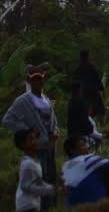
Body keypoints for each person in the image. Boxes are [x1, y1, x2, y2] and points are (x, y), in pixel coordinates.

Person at [5, 65, 59, 206]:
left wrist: (56, 131)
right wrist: (29, 132)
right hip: (37, 147)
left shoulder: (46, 99)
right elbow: (8, 120)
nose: (38, 82)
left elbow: (54, 120)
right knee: (40, 181)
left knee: (51, 179)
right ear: (29, 80)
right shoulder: (23, 101)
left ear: (43, 80)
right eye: (34, 79)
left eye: (40, 79)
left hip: (51, 147)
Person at [59, 133, 109, 206]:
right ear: (72, 150)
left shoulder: (65, 166)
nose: (87, 147)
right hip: (94, 205)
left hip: (71, 205)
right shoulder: (87, 159)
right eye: (82, 145)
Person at [13, 129, 58, 212]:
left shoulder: (34, 160)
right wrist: (51, 190)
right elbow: (26, 186)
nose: (35, 141)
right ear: (23, 144)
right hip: (27, 206)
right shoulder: (28, 164)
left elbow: (38, 182)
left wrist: (53, 188)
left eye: (35, 138)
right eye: (31, 139)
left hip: (32, 205)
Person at [69, 54, 103, 123]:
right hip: (89, 92)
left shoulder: (79, 68)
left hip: (83, 92)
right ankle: (100, 123)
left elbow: (74, 80)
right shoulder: (90, 67)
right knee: (98, 109)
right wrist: (101, 88)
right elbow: (97, 79)